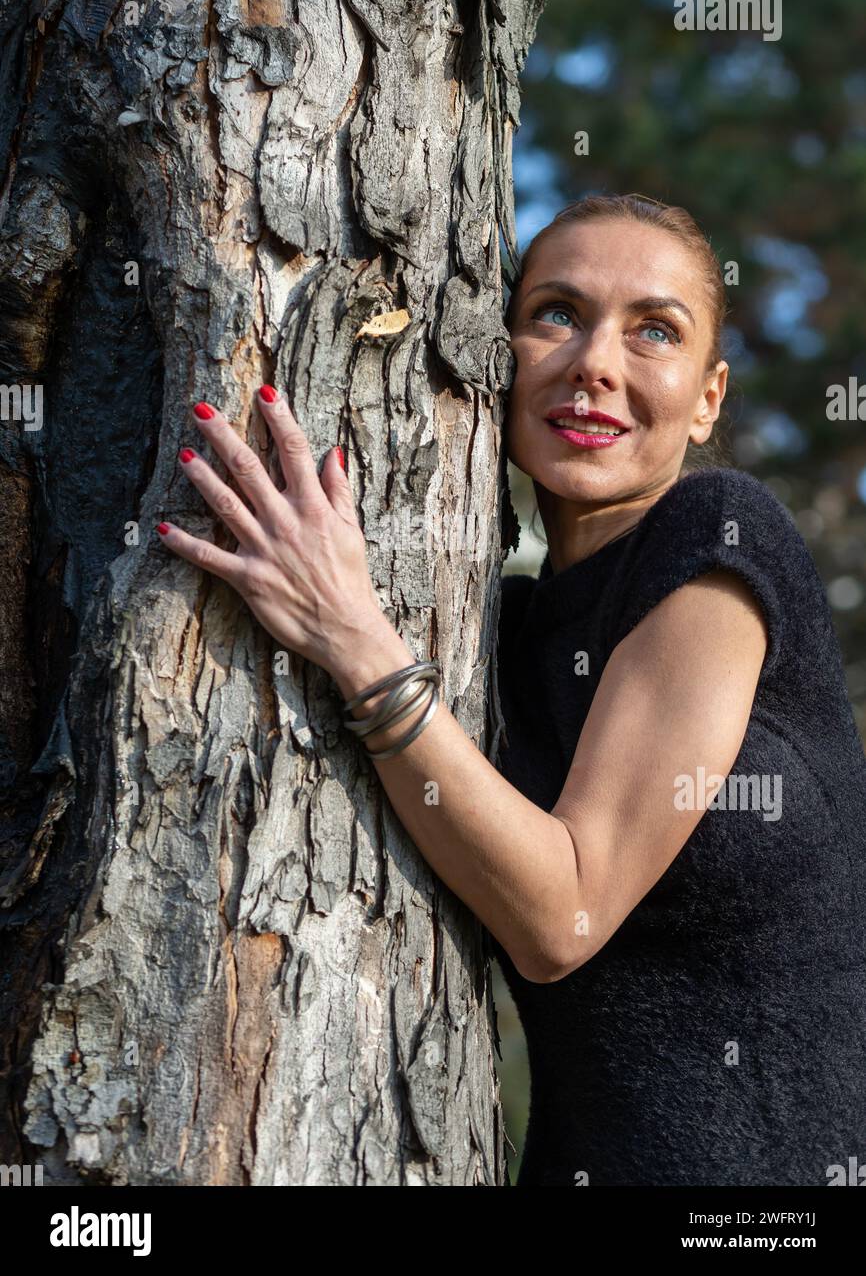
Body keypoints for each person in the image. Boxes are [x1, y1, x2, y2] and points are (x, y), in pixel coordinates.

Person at [155, 192, 866, 1186]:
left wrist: (352, 636)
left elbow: (559, 915)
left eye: (651, 330)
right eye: (555, 314)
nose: (595, 364)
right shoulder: (506, 627)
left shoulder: (717, 541)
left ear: (707, 398)